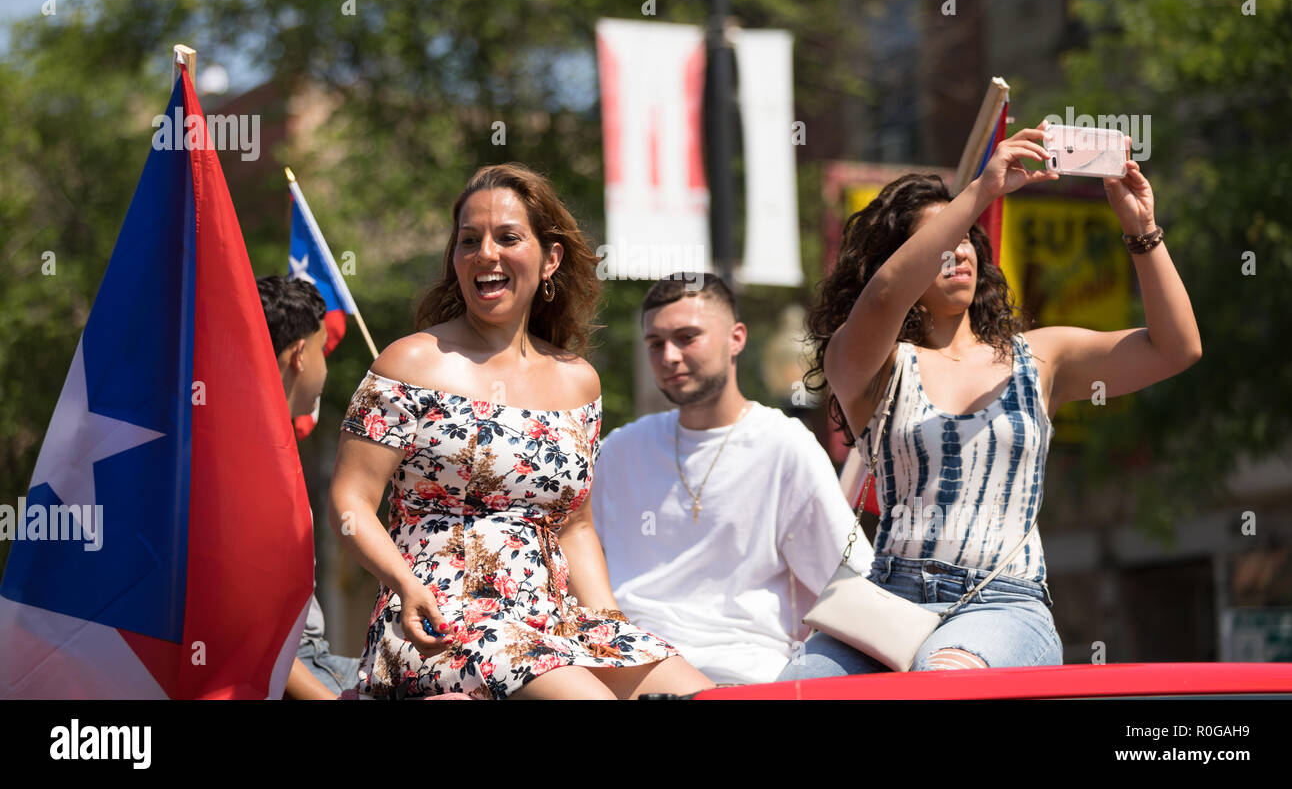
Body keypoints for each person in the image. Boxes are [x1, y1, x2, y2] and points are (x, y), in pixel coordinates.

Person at [778, 126, 1201, 678]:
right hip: (885, 603)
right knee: (792, 692)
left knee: (942, 681)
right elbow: (884, 296)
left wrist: (1142, 230)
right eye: (936, 243)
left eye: (965, 238)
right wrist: (980, 192)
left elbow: (1177, 348)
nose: (956, 251)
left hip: (1003, 604)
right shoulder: (867, 364)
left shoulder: (1042, 357)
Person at [328, 163, 714, 699]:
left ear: (550, 258)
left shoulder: (580, 381)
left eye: (508, 237)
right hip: (443, 620)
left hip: (555, 623)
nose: (486, 253)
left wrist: (609, 622)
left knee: (707, 695)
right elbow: (350, 501)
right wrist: (404, 584)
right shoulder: (409, 362)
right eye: (469, 241)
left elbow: (576, 527)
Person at [592, 273, 873, 685]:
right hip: (622, 666)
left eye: (687, 337)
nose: (669, 356)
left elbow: (848, 580)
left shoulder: (782, 444)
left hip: (739, 672)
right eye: (655, 343)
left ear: (736, 338)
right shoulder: (621, 449)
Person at [256, 274, 360, 699]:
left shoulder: (258, 445)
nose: (324, 367)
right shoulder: (253, 468)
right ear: (300, 354)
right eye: (322, 351)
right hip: (304, 670)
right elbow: (253, 638)